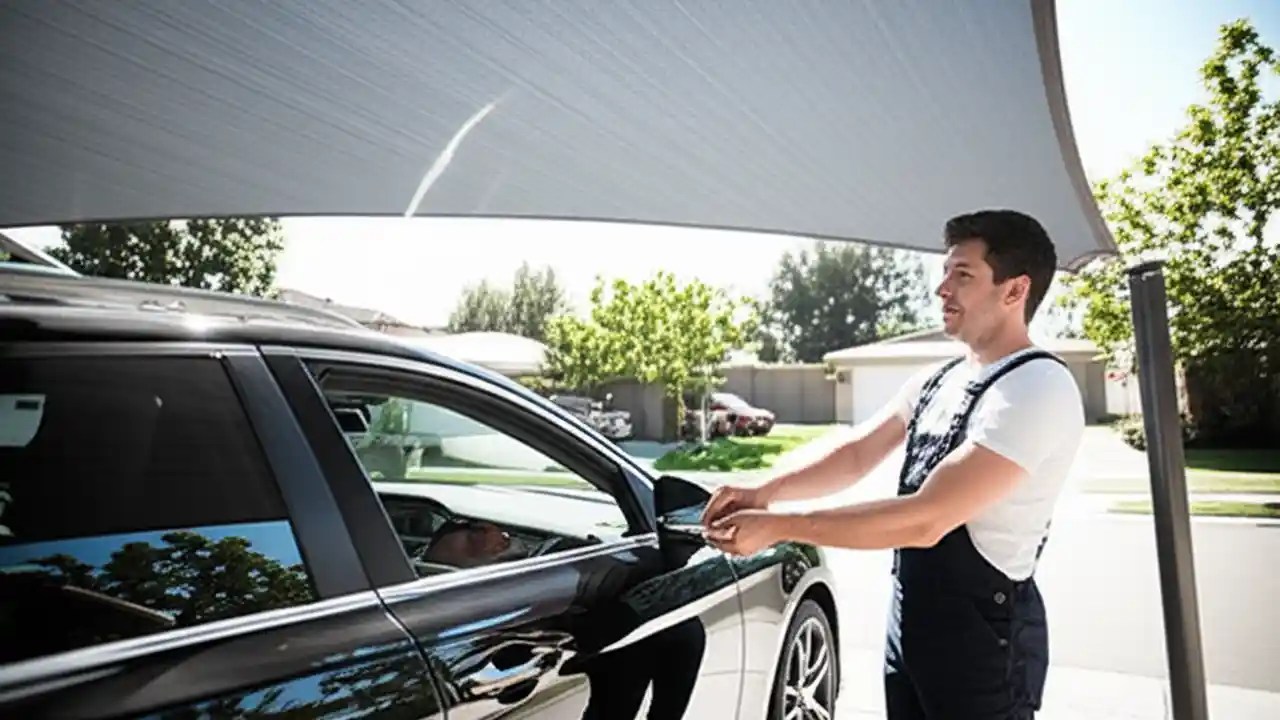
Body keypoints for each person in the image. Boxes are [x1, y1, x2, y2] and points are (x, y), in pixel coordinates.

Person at [701, 209, 1085, 720]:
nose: (941, 288)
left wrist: (778, 527)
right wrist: (764, 494)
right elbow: (858, 454)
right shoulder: (938, 379)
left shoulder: (1037, 387)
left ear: (1015, 291)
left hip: (984, 643)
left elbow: (926, 519)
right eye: (945, 271)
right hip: (911, 623)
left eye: (962, 275)